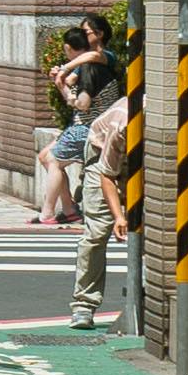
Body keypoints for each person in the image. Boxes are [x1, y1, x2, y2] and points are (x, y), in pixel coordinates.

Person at [63, 83, 138, 328]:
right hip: (101, 152)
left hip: (139, 161)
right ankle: (84, 305)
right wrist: (119, 216)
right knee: (97, 231)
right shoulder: (122, 125)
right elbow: (107, 175)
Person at [38, 19, 122, 225]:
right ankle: (67, 209)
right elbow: (71, 89)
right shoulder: (85, 66)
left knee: (53, 160)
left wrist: (65, 70)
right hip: (85, 124)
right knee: (45, 157)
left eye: (87, 32)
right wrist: (61, 80)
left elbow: (81, 101)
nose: (84, 36)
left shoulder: (99, 60)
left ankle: (48, 212)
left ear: (99, 34)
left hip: (89, 126)